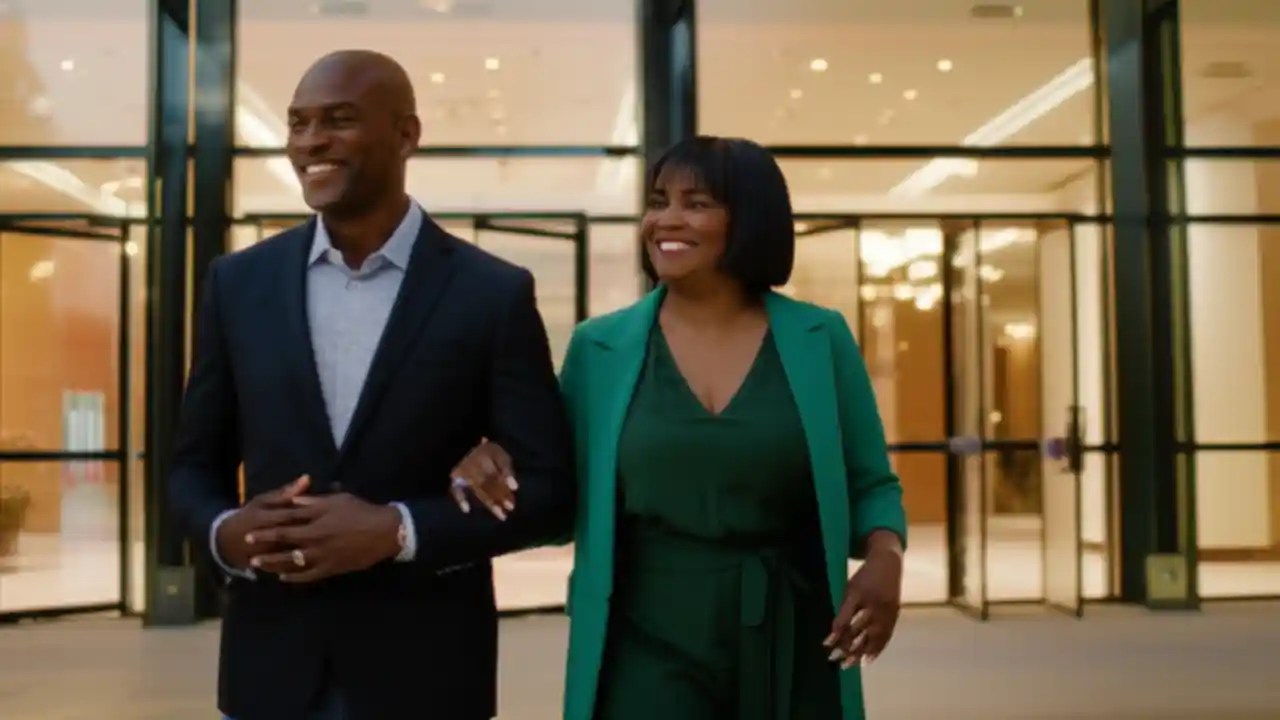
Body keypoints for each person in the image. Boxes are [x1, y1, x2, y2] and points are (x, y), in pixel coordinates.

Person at [168, 49, 574, 720]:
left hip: (427, 673)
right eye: (298, 124)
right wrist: (225, 534)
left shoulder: (491, 294)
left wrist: (399, 530)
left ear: (406, 135)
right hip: (271, 672)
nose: (310, 142)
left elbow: (551, 492)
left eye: (339, 120)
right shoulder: (237, 285)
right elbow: (191, 468)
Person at [452, 135, 908, 720]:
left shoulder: (820, 339)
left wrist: (886, 555)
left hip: (793, 631)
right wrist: (486, 465)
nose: (667, 219)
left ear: (748, 219)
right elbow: (556, 491)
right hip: (644, 637)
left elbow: (870, 482)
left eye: (696, 203)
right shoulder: (600, 348)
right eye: (658, 200)